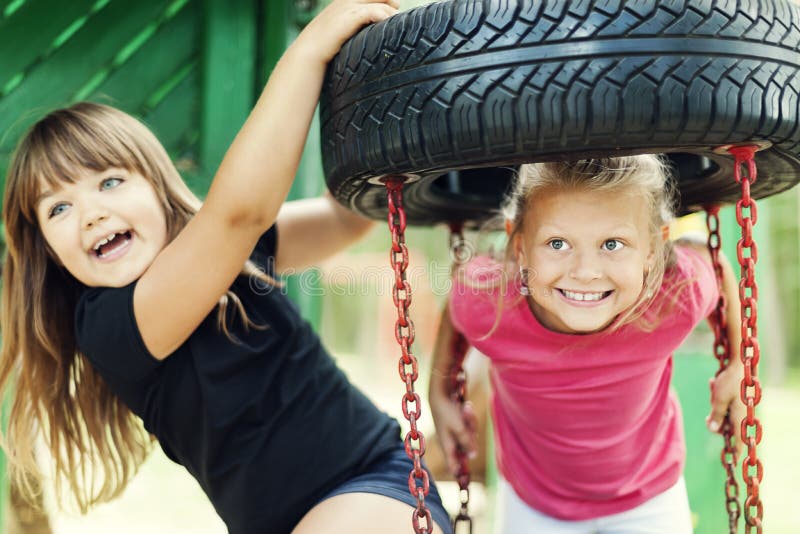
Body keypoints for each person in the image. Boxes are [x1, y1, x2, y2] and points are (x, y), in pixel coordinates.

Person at [0, 1, 453, 533]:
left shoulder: (232, 247)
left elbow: (344, 220)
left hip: (371, 483)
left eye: (110, 182)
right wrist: (308, 49)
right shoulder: (109, 325)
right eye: (58, 208)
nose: (92, 213)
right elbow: (237, 214)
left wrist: (374, 106)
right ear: (48, 250)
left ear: (157, 185)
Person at [429, 155, 747, 533]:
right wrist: (440, 390)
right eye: (558, 243)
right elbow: (460, 302)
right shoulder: (493, 303)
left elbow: (714, 264)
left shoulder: (673, 296)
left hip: (649, 495)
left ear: (652, 249)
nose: (585, 272)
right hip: (534, 500)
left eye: (612, 244)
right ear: (521, 246)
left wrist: (738, 365)